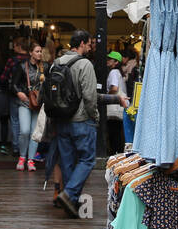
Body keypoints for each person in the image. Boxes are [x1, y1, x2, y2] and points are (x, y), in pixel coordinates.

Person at [49, 30, 98, 217]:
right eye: (89, 43)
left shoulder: (57, 63)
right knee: (87, 159)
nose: (91, 46)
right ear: (83, 44)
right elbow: (90, 96)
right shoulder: (85, 64)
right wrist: (94, 116)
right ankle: (69, 194)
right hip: (81, 120)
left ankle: (71, 204)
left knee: (67, 162)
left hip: (61, 120)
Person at [11, 42, 46, 171]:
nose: (39, 54)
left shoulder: (44, 67)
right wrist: (19, 92)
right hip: (25, 102)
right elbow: (13, 83)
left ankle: (30, 160)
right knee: (24, 131)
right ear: (30, 53)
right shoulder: (22, 66)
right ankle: (22, 157)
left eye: (40, 51)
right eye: (37, 51)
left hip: (38, 103)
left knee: (34, 133)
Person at [0, 38, 30, 160]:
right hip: (29, 95)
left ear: (19, 46)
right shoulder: (31, 59)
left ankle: (17, 147)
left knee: (15, 121)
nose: (13, 47)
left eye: (14, 45)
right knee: (29, 122)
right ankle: (28, 148)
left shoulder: (12, 61)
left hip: (14, 94)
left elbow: (3, 78)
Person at [104, 50, 128, 156]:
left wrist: (106, 96)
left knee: (114, 133)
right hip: (120, 108)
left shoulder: (113, 72)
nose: (108, 61)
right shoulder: (119, 73)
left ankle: (114, 155)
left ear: (116, 62)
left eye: (110, 59)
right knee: (117, 133)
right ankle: (117, 154)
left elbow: (114, 88)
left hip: (114, 108)